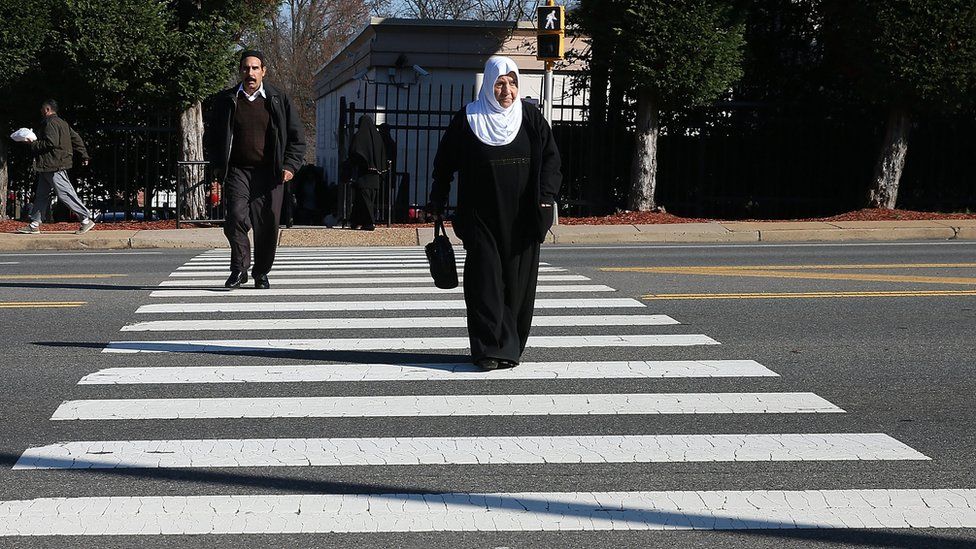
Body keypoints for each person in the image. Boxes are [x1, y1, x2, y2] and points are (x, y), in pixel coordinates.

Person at [428, 56, 562, 371]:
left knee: (518, 286)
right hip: (480, 217)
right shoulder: (468, 119)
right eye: (500, 83)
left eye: (512, 83)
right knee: (484, 283)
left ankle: (511, 347)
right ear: (489, 84)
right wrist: (437, 197)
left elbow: (552, 163)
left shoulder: (530, 117)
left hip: (523, 218)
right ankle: (487, 349)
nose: (507, 90)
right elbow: (444, 163)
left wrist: (544, 201)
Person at [204, 50, 305, 289]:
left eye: (255, 68)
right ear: (240, 71)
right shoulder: (226, 101)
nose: (250, 73)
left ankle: (261, 272)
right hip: (237, 170)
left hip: (269, 173)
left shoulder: (278, 99)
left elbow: (296, 137)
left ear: (263, 71)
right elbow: (213, 137)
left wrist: (290, 165)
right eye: (246, 68)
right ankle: (239, 269)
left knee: (267, 224)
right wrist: (218, 166)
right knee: (236, 218)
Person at [15, 100, 95, 235]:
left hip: (53, 164)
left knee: (65, 193)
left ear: (47, 109)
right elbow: (76, 138)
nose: (40, 111)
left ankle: (86, 219)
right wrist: (84, 155)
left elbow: (51, 143)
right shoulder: (63, 123)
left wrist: (32, 143)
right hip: (49, 165)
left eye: (42, 108)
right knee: (41, 196)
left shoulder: (50, 123)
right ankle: (34, 224)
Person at [347, 115, 387, 230]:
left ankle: (369, 222)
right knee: (365, 200)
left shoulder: (359, 137)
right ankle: (357, 221)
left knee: (364, 200)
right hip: (375, 176)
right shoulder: (377, 137)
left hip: (363, 174)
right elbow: (382, 155)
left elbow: (354, 153)